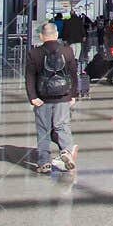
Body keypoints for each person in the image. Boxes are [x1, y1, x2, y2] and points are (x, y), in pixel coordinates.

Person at [25, 22, 78, 173]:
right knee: (62, 126)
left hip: (43, 98)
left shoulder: (34, 53)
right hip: (63, 96)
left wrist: (33, 97)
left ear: (41, 36)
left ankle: (44, 163)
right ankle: (66, 152)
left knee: (43, 129)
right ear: (56, 35)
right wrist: (73, 94)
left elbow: (29, 77)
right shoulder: (67, 51)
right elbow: (74, 74)